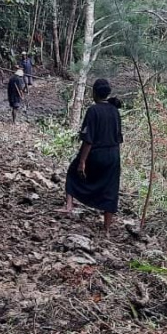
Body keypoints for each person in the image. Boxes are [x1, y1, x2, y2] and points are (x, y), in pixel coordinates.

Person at [64, 78, 123, 232]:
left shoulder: (93, 110)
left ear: (94, 93)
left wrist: (82, 161)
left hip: (97, 153)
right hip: (113, 155)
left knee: (72, 172)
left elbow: (88, 139)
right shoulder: (115, 111)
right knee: (111, 189)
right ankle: (107, 228)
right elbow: (118, 137)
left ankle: (69, 206)